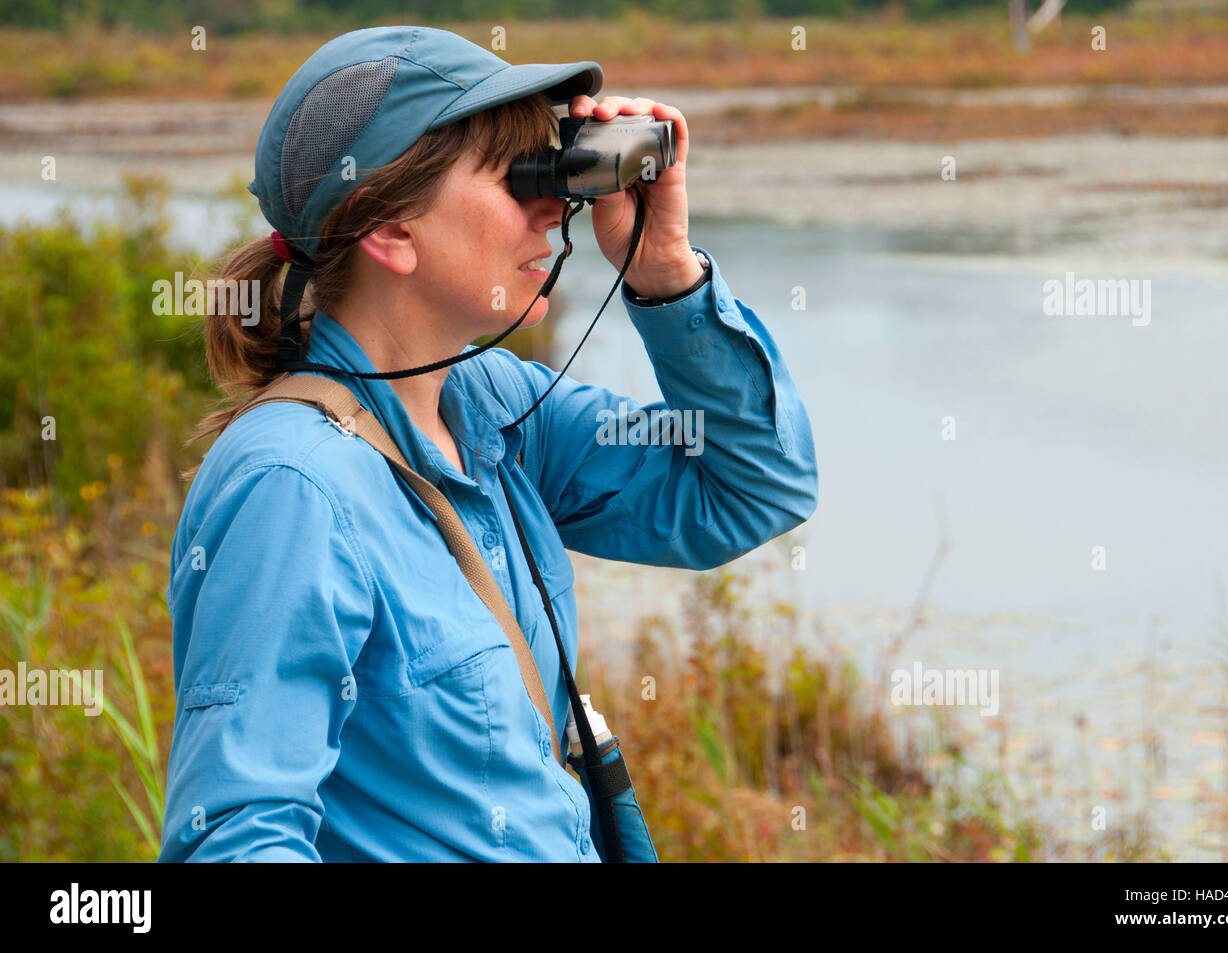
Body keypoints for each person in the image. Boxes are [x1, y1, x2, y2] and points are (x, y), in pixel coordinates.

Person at [158, 25, 817, 862]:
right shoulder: (294, 484)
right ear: (390, 231)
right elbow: (237, 839)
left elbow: (751, 491)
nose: (557, 202)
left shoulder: (495, 405)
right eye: (517, 179)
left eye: (552, 165)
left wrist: (663, 271)